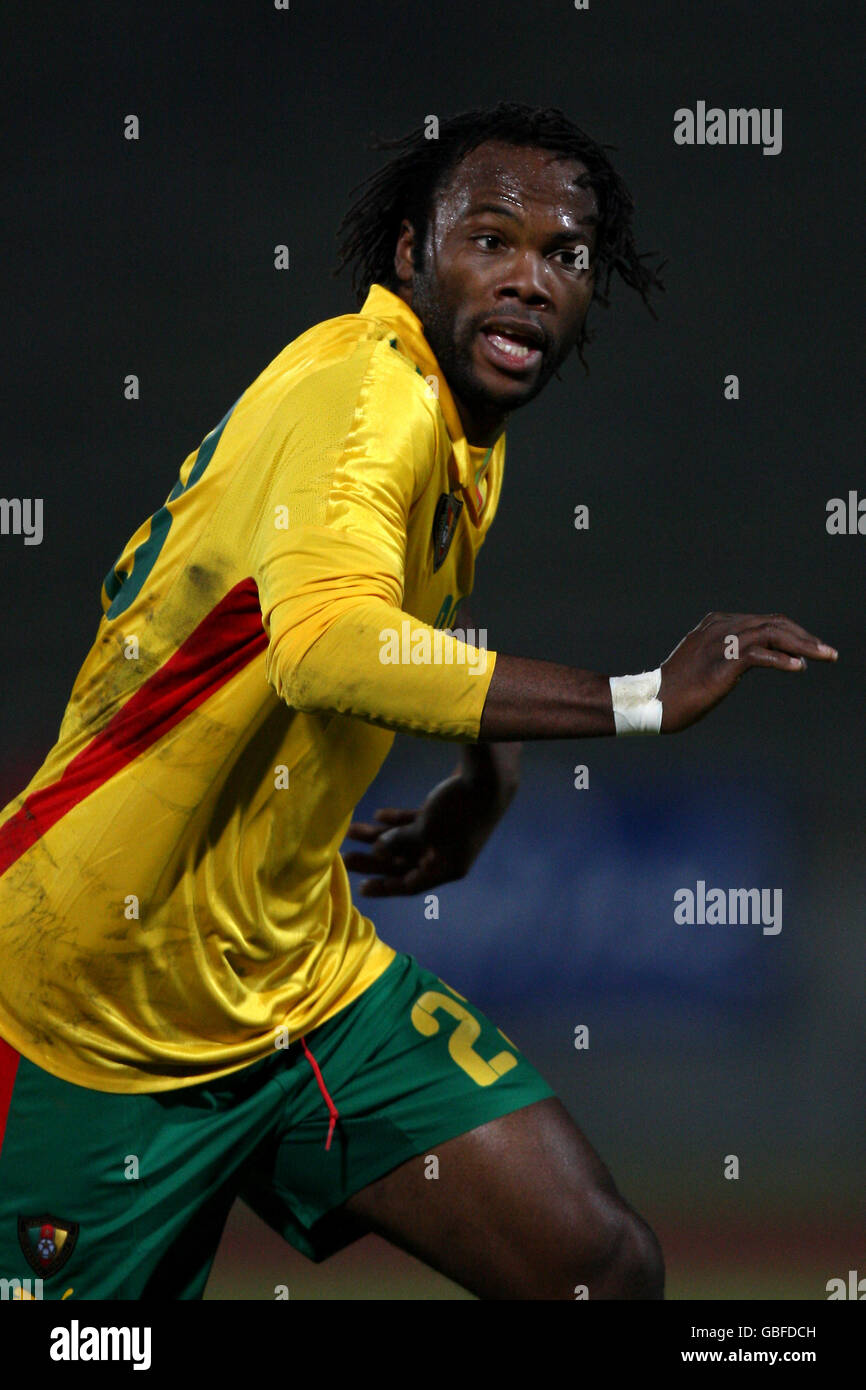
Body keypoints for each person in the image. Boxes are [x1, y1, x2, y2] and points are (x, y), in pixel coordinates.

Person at [0, 103, 836, 1301]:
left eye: (563, 254)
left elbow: (383, 628)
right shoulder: (363, 395)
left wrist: (481, 764)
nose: (529, 280)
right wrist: (641, 698)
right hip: (92, 1008)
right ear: (407, 256)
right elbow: (326, 646)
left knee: (593, 1264)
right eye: (487, 240)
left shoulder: (457, 428)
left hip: (301, 983)